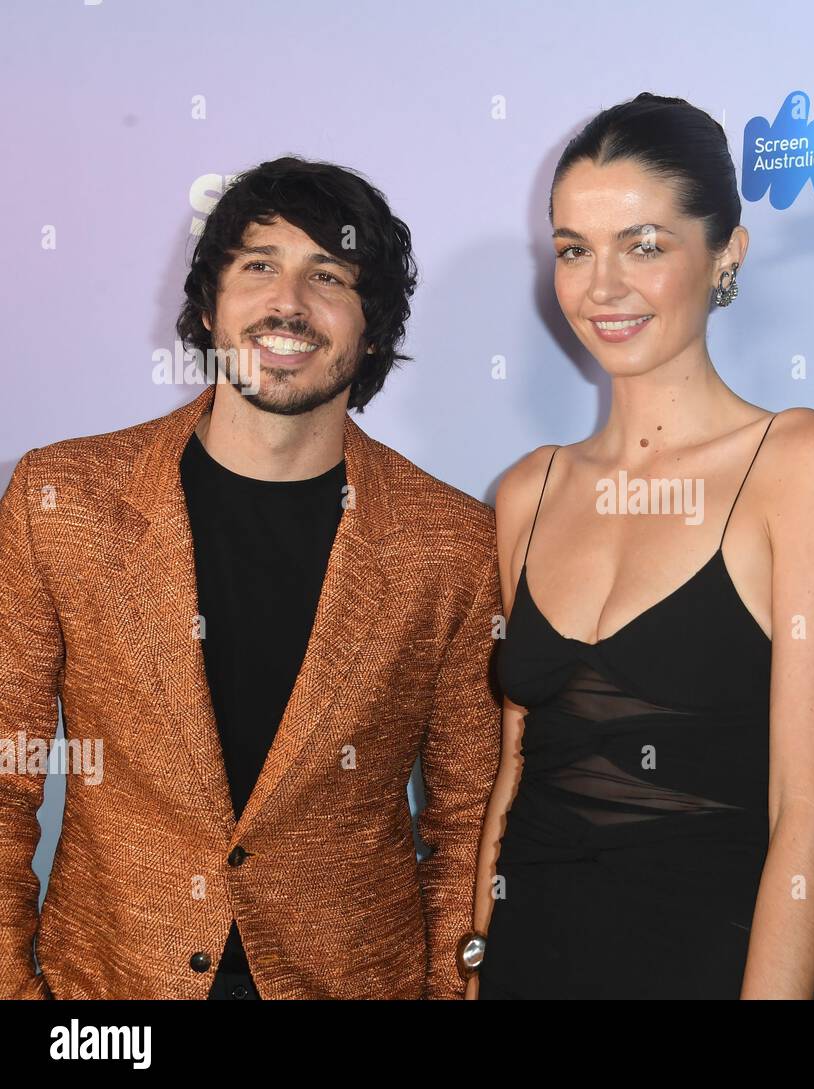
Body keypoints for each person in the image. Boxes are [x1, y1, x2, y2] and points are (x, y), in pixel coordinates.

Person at [0, 156, 501, 999]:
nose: (288, 303)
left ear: (371, 328)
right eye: (258, 265)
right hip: (107, 993)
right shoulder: (61, 501)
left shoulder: (451, 542)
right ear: (208, 304)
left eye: (329, 275)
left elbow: (469, 818)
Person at [470, 93, 814, 999]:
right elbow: (514, 774)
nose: (601, 286)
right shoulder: (527, 490)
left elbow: (812, 817)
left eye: (645, 245)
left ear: (727, 253)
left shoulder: (803, 463)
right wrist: (474, 960)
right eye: (574, 248)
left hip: (702, 966)